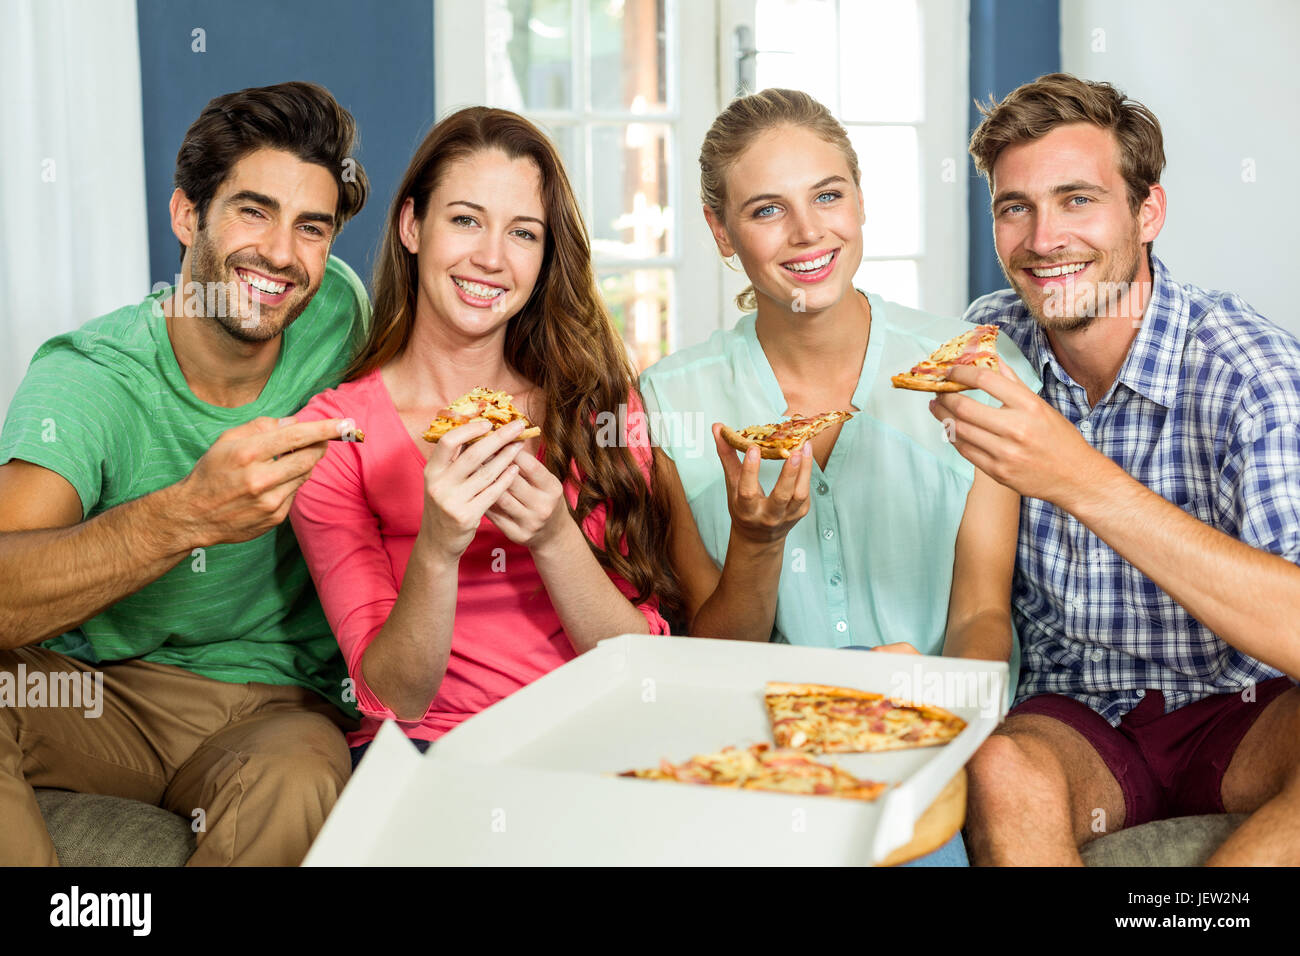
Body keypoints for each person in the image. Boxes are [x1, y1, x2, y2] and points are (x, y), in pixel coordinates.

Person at [638, 88, 1039, 866]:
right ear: (721, 232)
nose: (807, 232)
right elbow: (714, 654)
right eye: (765, 210)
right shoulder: (672, 401)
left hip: (929, 734)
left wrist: (932, 714)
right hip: (764, 753)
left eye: (828, 195)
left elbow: (982, 617)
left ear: (859, 200)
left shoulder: (972, 370)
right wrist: (755, 544)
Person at [0, 82, 372, 865]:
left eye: (312, 227)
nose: (279, 254)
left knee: (302, 777)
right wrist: (187, 516)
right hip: (97, 694)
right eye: (251, 210)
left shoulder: (338, 310)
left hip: (275, 710)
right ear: (185, 215)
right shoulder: (91, 378)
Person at [943, 73, 1300, 865]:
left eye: (1077, 200)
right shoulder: (990, 340)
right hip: (1076, 720)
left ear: (1148, 214)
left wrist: (1078, 476)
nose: (1043, 239)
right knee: (998, 768)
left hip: (1248, 712)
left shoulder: (1253, 375)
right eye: (1015, 207)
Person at [289, 107, 677, 768]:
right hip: (431, 750)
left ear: (545, 254)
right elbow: (392, 694)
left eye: (523, 233)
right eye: (465, 219)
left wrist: (555, 537)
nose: (491, 258)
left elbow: (638, 665)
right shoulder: (334, 437)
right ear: (413, 226)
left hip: (593, 735)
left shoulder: (596, 408)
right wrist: (438, 548)